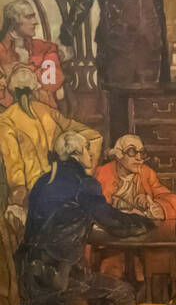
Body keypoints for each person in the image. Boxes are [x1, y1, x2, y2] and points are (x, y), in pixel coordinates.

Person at [15, 130, 152, 305]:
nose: (92, 153)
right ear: (77, 154)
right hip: (60, 280)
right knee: (124, 292)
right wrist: (144, 223)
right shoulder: (84, 184)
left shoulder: (43, 181)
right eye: (88, 148)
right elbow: (116, 225)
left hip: (29, 275)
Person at [0, 63, 102, 225]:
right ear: (35, 89)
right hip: (63, 189)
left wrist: (17, 206)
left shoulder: (6, 121)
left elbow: (16, 174)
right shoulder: (48, 112)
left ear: (12, 91)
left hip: (35, 199)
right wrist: (88, 172)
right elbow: (95, 137)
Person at [95, 134, 176, 223]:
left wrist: (161, 208)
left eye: (142, 153)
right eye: (131, 151)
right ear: (118, 155)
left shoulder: (146, 173)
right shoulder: (103, 173)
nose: (139, 158)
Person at [0, 0, 62, 108]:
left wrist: (23, 72)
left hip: (43, 110)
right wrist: (37, 73)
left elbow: (52, 81)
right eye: (29, 17)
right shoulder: (2, 51)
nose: (35, 21)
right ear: (13, 22)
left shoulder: (45, 48)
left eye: (33, 16)